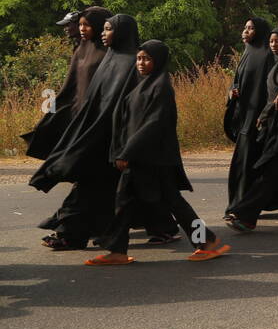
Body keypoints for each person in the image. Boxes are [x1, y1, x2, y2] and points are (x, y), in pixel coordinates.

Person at [85, 40, 230, 265]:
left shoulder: (161, 87)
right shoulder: (142, 84)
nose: (141, 63)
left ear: (158, 61)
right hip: (143, 158)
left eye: (147, 59)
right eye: (139, 58)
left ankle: (206, 241)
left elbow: (153, 124)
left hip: (153, 158)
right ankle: (119, 251)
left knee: (166, 203)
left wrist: (127, 152)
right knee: (131, 202)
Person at [31, 14, 143, 250]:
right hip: (92, 129)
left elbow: (131, 105)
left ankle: (72, 234)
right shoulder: (107, 57)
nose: (101, 33)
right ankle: (94, 232)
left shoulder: (130, 62)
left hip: (111, 136)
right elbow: (78, 93)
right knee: (97, 185)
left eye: (106, 29)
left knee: (91, 185)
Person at [226, 25, 278, 232]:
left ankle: (246, 216)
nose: (274, 45)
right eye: (272, 41)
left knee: (270, 173)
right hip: (275, 128)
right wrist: (263, 117)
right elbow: (270, 97)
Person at [23, 6, 112, 161]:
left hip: (102, 112)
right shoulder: (81, 49)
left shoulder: (111, 52)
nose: (81, 29)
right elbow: (71, 84)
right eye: (80, 25)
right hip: (80, 108)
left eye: (86, 25)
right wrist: (54, 109)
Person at [223, 18, 278, 220]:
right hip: (244, 117)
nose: (245, 31)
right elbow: (236, 80)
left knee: (245, 166)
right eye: (245, 27)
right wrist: (232, 92)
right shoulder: (248, 52)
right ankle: (242, 206)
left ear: (260, 31)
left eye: (251, 28)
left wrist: (264, 116)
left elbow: (272, 88)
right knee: (246, 165)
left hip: (257, 119)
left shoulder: (268, 55)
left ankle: (238, 208)